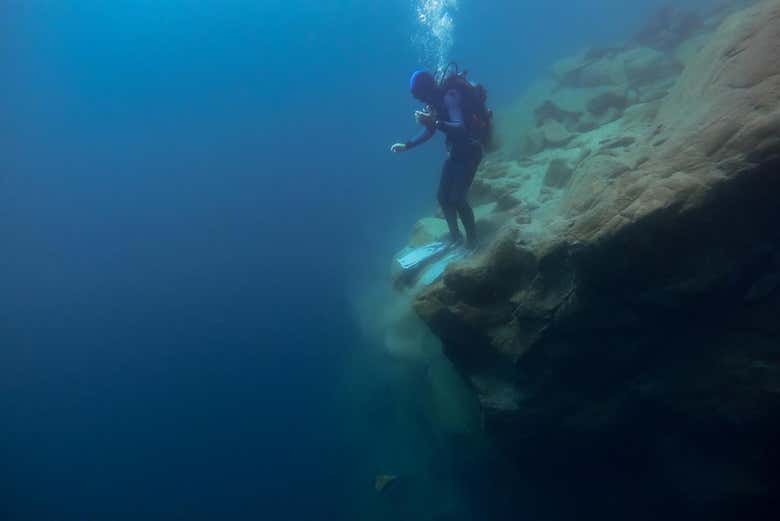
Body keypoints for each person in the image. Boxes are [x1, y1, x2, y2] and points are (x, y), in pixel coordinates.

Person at [391, 68, 489, 250]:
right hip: (454, 152)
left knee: (458, 199)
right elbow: (430, 130)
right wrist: (407, 145)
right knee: (443, 197)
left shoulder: (450, 96)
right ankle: (455, 237)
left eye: (418, 95)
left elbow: (460, 129)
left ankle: (473, 241)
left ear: (425, 89)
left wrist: (435, 122)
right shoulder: (433, 101)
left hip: (470, 152)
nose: (419, 100)